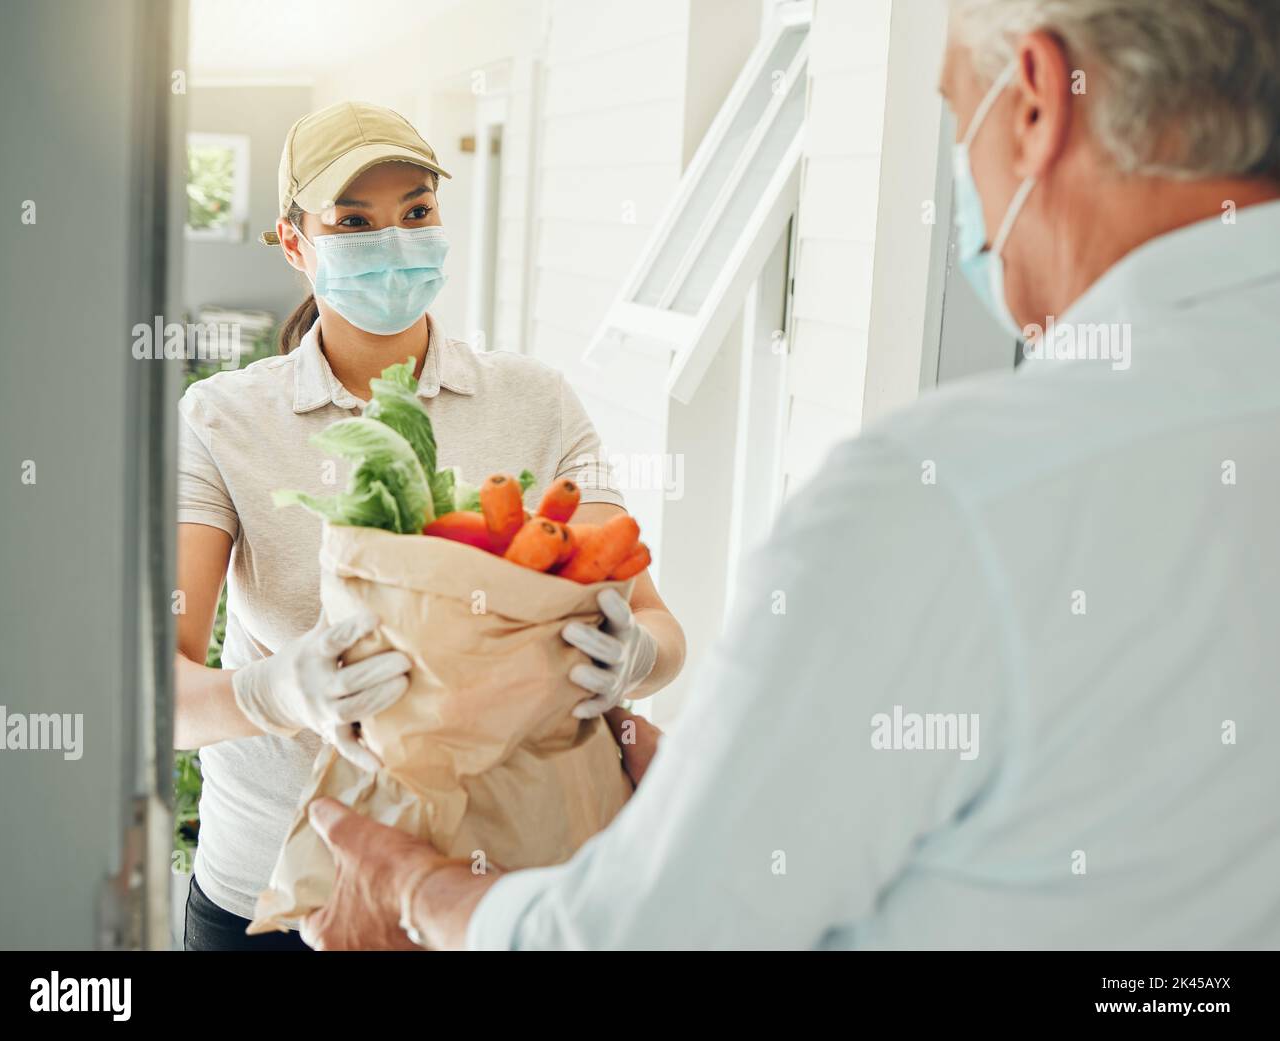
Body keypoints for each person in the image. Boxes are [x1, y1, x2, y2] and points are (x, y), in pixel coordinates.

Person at [298, 0, 1280, 950]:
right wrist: (723, 795)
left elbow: (640, 939)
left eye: (951, 111)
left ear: (1034, 104)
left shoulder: (938, 497)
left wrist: (415, 889)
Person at [174, 101, 685, 951]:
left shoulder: (536, 402)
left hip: (490, 890)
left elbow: (660, 627)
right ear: (297, 244)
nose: (393, 240)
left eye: (416, 213)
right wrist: (276, 692)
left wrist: (634, 656)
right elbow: (160, 696)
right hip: (274, 894)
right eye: (354, 221)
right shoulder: (226, 418)